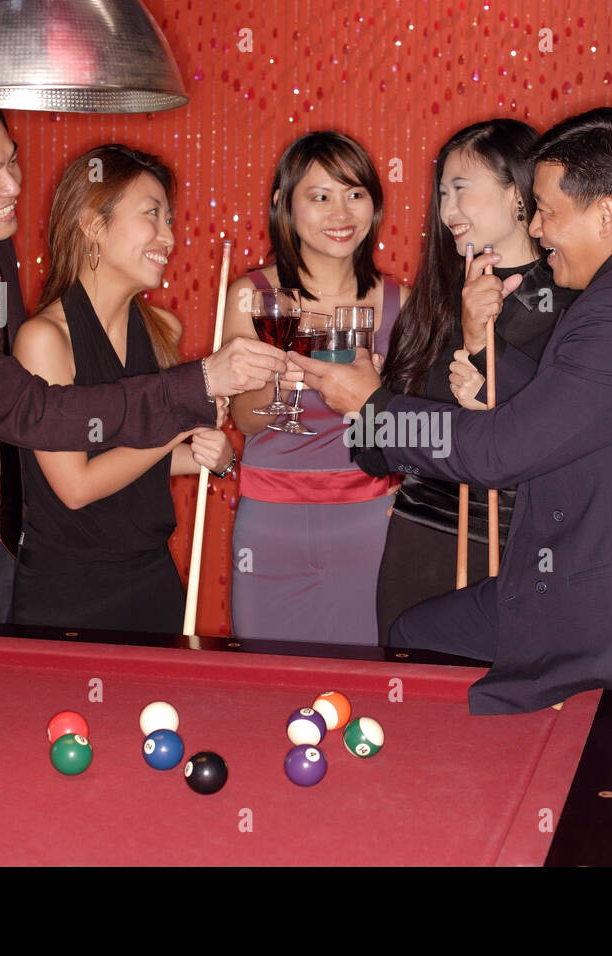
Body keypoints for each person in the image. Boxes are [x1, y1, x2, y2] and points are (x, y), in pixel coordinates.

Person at [297, 107, 612, 865]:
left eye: (548, 212)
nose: (540, 231)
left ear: (606, 212)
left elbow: (506, 449)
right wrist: (485, 367)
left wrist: (373, 408)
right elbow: (587, 419)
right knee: (422, 641)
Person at [0, 104, 284, 624]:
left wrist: (192, 442)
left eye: (12, 162)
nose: (12, 186)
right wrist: (198, 384)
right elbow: (39, 415)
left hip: (5, 543)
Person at [357, 119, 579, 644]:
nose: (447, 211)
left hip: (522, 554)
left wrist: (484, 348)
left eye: (461, 190)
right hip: (418, 544)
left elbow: (549, 437)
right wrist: (367, 406)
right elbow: (370, 449)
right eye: (441, 195)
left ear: (518, 194)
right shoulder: (433, 302)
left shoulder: (573, 306)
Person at [8, 145, 236, 633]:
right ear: (92, 224)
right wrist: (178, 418)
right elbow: (77, 486)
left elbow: (137, 459)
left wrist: (207, 458)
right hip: (67, 594)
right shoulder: (43, 340)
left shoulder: (162, 331)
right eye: (152, 215)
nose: (170, 236)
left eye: (170, 219)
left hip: (153, 579)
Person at [223, 131, 408, 645]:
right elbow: (244, 420)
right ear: (285, 203)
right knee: (267, 673)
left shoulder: (402, 302)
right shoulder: (253, 296)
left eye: (355, 194)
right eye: (320, 196)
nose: (340, 212)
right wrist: (278, 382)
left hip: (371, 520)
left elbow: (412, 421)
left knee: (370, 672)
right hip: (272, 524)